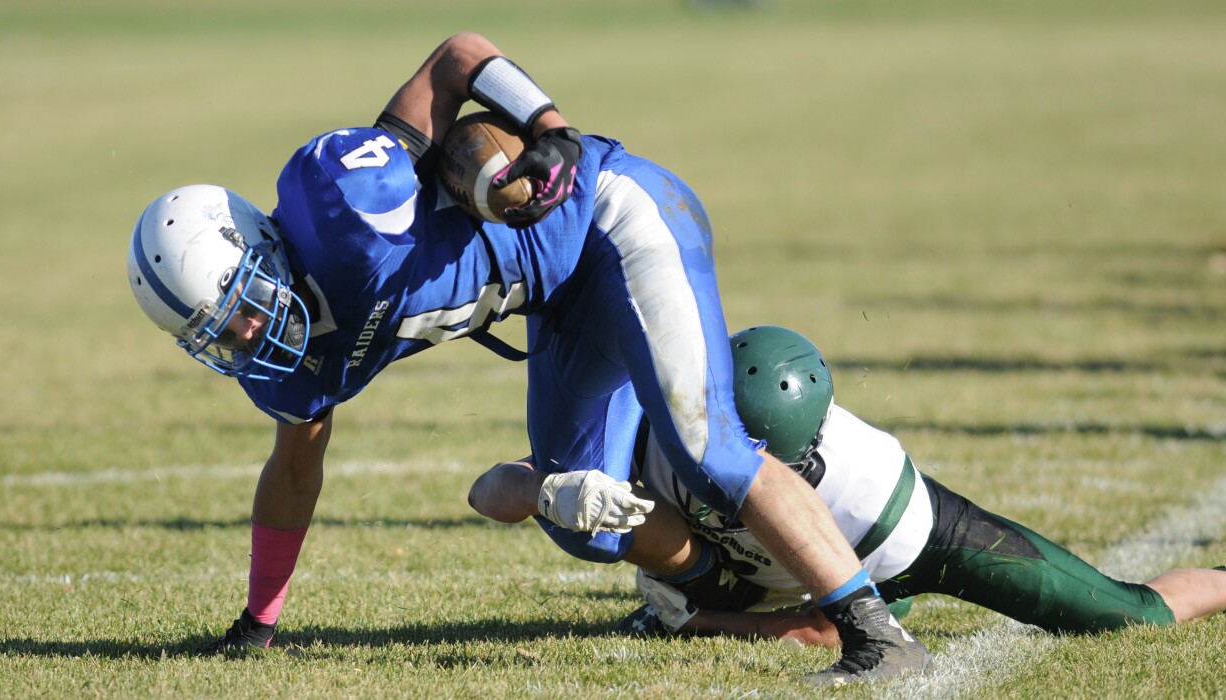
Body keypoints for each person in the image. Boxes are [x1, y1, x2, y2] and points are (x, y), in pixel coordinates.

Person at [125, 33, 929, 682]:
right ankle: (744, 607)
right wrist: (259, 622)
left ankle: (875, 633)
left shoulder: (340, 203)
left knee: (705, 445)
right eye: (216, 332)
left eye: (241, 308)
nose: (245, 338)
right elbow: (294, 471)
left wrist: (545, 128)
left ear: (263, 247)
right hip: (561, 302)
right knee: (581, 515)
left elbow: (455, 59)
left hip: (614, 215)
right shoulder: (288, 362)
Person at [468, 325, 1226, 645]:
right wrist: (546, 491)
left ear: (805, 463)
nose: (729, 474)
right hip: (718, 566)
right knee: (600, 516)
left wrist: (710, 625)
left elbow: (822, 629)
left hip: (881, 545)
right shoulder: (658, 418)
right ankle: (686, 599)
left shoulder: (866, 498)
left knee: (1130, 618)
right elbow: (486, 489)